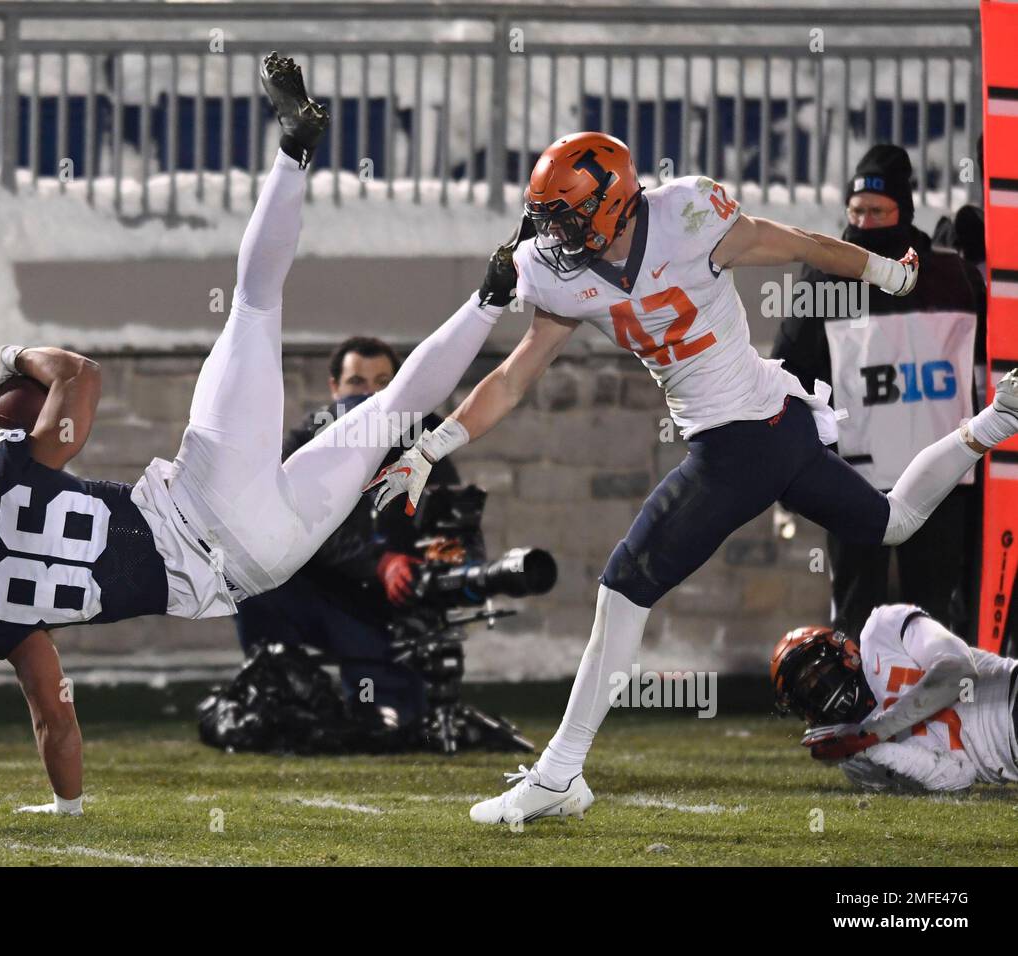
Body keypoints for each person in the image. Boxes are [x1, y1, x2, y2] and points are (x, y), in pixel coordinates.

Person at [0, 54, 516, 814]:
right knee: (256, 306)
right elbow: (82, 376)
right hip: (206, 489)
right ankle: (297, 153)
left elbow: (54, 714)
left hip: (254, 566)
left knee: (389, 414)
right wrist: (13, 358)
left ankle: (491, 299)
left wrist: (68, 806)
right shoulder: (3, 476)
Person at [364, 131, 1018, 825]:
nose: (555, 232)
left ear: (613, 202)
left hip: (739, 441)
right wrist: (433, 445)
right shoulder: (563, 272)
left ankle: (559, 775)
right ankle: (998, 420)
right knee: (893, 521)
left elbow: (798, 242)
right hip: (778, 428)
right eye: (548, 216)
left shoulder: (688, 214)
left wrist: (886, 275)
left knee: (623, 587)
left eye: (568, 215)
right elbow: (516, 375)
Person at [772, 145, 981, 636]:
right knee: (854, 609)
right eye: (857, 211)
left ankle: (939, 711)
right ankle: (852, 710)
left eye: (877, 212)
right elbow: (791, 370)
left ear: (902, 213)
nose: (865, 222)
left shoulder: (948, 277)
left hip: (939, 473)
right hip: (855, 474)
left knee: (936, 612)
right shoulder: (826, 276)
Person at [233, 336, 473, 730]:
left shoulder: (424, 442)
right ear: (334, 388)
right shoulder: (309, 439)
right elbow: (286, 521)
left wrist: (434, 565)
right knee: (253, 578)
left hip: (391, 604)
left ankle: (380, 689)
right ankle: (277, 685)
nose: (369, 395)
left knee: (394, 723)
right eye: (356, 384)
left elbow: (450, 527)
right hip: (326, 594)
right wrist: (377, 563)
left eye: (382, 383)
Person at [770, 605, 1018, 792]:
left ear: (846, 651)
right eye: (808, 692)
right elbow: (958, 779)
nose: (821, 691)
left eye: (822, 673)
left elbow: (958, 670)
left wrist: (876, 731)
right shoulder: (856, 763)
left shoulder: (882, 628)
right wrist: (870, 749)